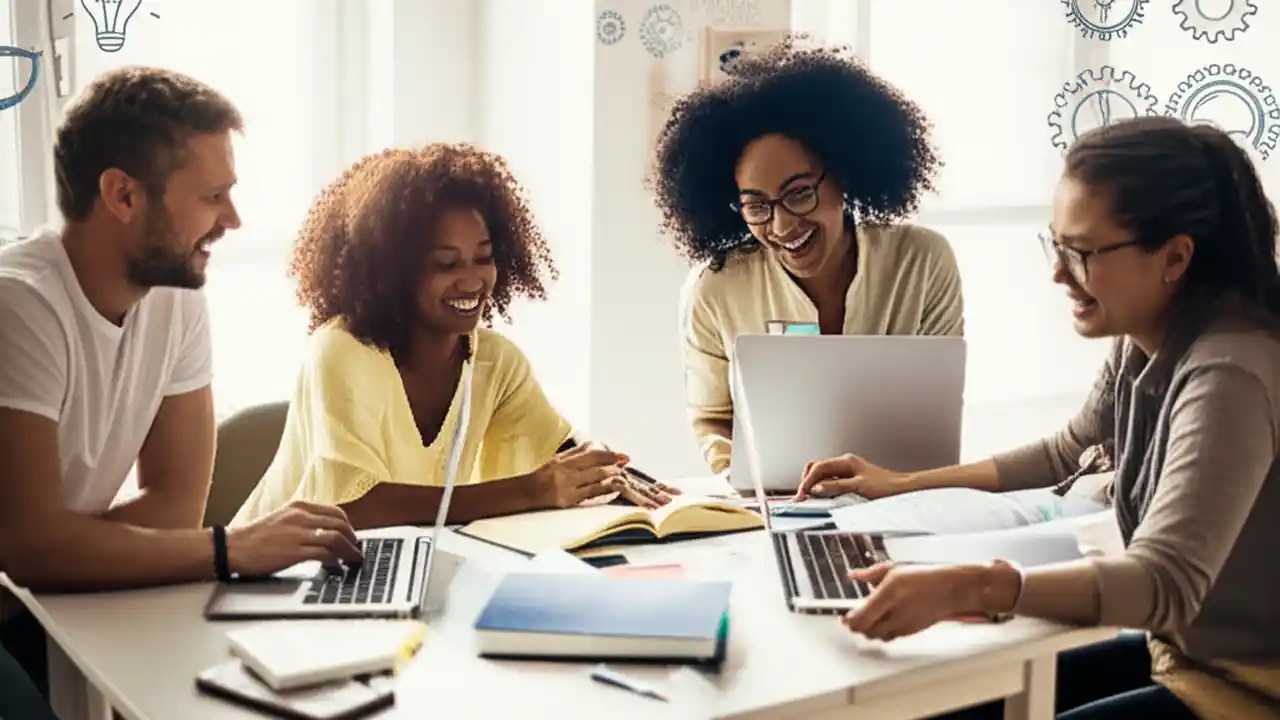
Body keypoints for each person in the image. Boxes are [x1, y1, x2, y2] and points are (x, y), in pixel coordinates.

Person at [806, 117, 1280, 719]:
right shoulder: (1145, 336)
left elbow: (1164, 583)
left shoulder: (1231, 372)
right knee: (946, 700)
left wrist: (977, 585)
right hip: (1185, 655)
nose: (1058, 273)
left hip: (1245, 690)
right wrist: (900, 483)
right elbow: (1066, 451)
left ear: (1175, 257)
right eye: (1055, 244)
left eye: (1081, 252)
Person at [0, 67, 363, 706]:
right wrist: (231, 549)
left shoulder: (176, 295)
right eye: (212, 196)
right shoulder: (19, 306)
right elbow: (31, 547)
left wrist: (69, 548)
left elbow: (173, 511)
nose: (234, 218)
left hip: (30, 600)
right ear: (123, 196)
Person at [232, 144, 676, 531]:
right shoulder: (343, 351)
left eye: (483, 258)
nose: (472, 281)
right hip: (273, 578)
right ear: (392, 273)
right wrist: (532, 490)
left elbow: (555, 457)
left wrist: (609, 472)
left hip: (382, 569)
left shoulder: (495, 362)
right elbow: (352, 506)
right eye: (446, 265)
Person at [651, 36, 964, 474]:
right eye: (757, 205)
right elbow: (713, 420)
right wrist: (748, 489)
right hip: (774, 509)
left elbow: (937, 415)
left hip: (902, 498)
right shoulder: (714, 291)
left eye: (799, 193)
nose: (781, 227)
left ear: (843, 174)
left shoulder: (923, 262)